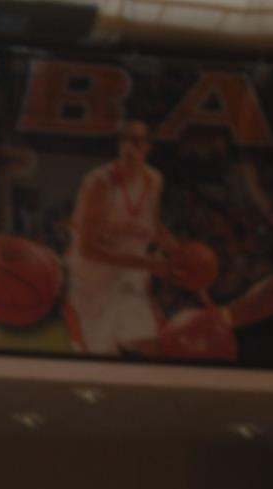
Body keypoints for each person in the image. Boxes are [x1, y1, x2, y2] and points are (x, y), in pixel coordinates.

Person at [64, 120, 184, 356]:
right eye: (124, 140)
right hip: (92, 278)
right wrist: (149, 264)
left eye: (136, 141)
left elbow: (151, 223)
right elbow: (87, 249)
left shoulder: (154, 180)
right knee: (98, 361)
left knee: (151, 345)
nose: (129, 146)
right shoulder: (99, 182)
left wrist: (178, 251)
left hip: (129, 277)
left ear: (147, 147)